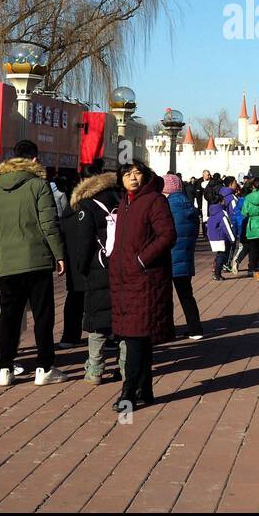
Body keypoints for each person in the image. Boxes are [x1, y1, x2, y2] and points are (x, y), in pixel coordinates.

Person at [0, 146, 66, 386]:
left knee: (9, 316)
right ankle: (44, 368)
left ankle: (4, 369)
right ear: (34, 159)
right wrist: (59, 255)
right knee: (43, 316)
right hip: (37, 261)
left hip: (8, 264)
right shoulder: (39, 186)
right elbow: (49, 224)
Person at [108, 160, 176, 411]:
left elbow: (168, 235)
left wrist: (141, 259)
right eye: (127, 174)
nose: (133, 178)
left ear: (146, 176)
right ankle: (145, 389)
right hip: (125, 281)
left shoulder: (154, 200)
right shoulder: (125, 203)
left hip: (145, 280)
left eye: (137, 173)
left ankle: (128, 393)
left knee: (135, 338)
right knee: (138, 338)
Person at [59, 169, 126, 385]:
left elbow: (84, 241)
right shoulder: (124, 200)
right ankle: (126, 366)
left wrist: (81, 266)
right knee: (124, 320)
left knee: (97, 319)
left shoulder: (87, 205)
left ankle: (95, 368)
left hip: (98, 267)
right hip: (123, 266)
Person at [161, 174, 203, 338]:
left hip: (168, 257)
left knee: (165, 296)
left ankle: (168, 331)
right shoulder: (189, 206)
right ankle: (195, 329)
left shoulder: (167, 206)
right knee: (186, 295)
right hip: (185, 256)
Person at [207, 177, 238, 278]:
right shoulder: (222, 213)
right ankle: (217, 273)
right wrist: (232, 238)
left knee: (219, 254)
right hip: (221, 236)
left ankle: (215, 269)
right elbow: (226, 227)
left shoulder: (212, 212)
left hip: (213, 236)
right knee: (222, 255)